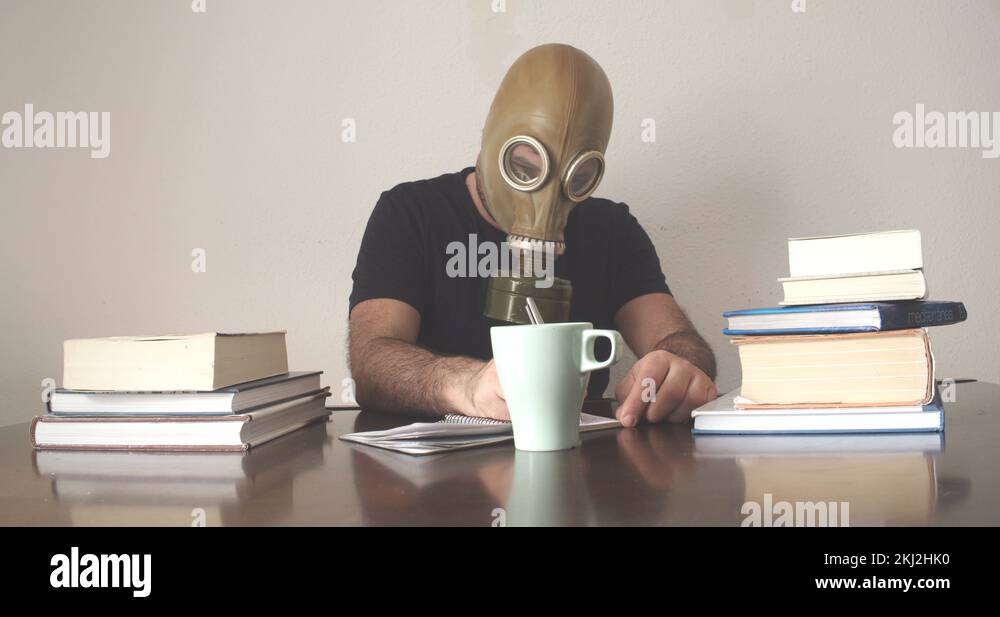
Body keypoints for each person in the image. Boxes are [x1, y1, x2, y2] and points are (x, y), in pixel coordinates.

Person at [348, 44, 717, 427]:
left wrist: (675, 367)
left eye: (575, 179)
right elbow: (372, 360)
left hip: (579, 462)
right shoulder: (410, 213)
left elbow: (677, 338)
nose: (543, 202)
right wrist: (465, 385)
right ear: (489, 136)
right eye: (523, 167)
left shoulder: (611, 229)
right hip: (437, 478)